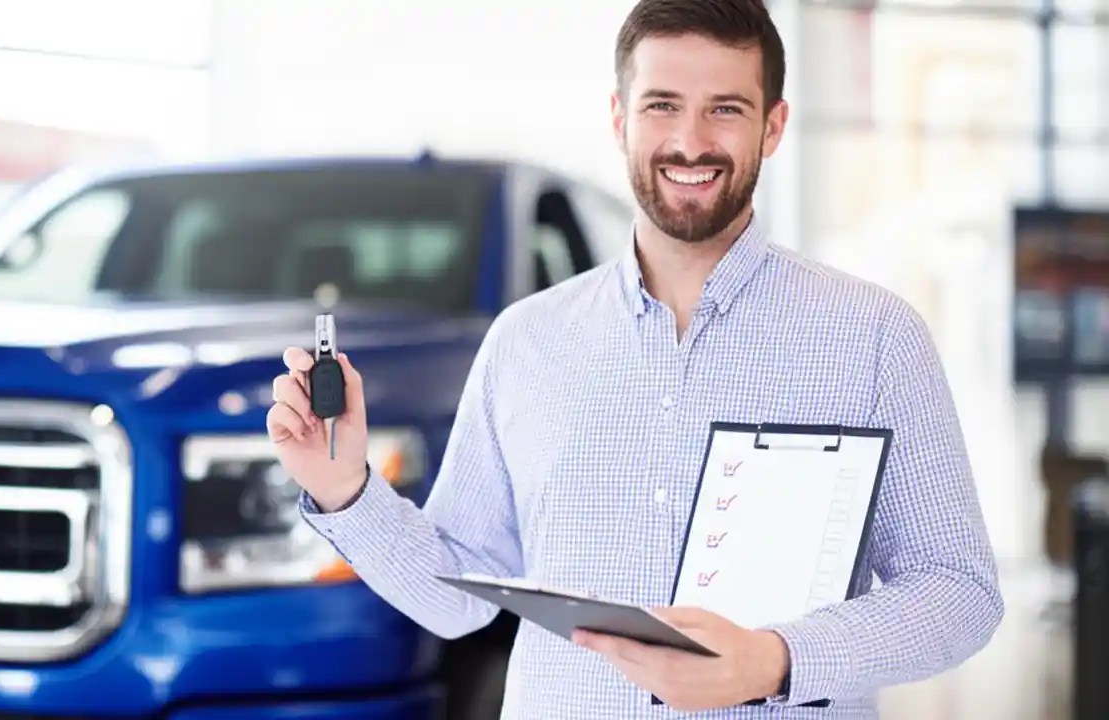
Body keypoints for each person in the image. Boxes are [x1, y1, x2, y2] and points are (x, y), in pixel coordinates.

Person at [266, 0, 1005, 716]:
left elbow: (958, 590)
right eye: (661, 105)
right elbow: (458, 599)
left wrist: (776, 658)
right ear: (619, 120)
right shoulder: (525, 344)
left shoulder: (873, 336)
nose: (690, 141)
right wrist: (345, 493)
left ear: (773, 127)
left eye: (726, 108)